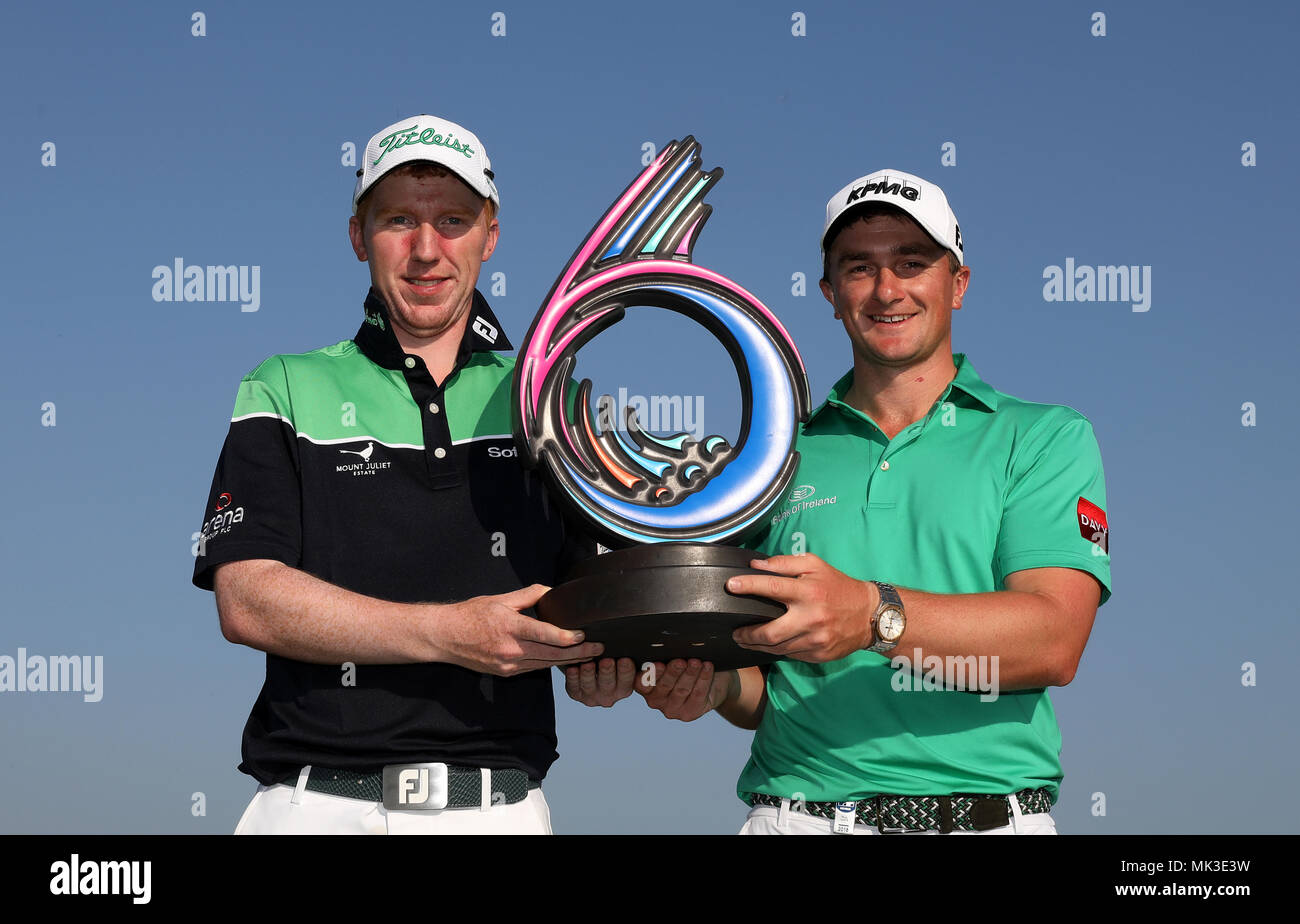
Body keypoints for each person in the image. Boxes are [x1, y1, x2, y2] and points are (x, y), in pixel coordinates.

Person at [590, 168, 1112, 835]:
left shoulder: (1043, 437)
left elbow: (1054, 640)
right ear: (831, 293)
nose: (887, 289)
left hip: (985, 818)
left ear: (959, 284)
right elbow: (764, 683)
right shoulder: (772, 457)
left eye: (913, 263)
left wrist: (872, 614)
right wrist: (713, 686)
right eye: (860, 268)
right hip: (796, 816)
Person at [192, 114, 603, 835]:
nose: (425, 250)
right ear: (359, 236)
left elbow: (593, 596)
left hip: (499, 811)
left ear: (491, 235)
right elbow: (247, 600)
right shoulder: (281, 386)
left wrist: (625, 662)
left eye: (452, 220)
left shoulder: (552, 396)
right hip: (310, 807)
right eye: (397, 220)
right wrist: (448, 633)